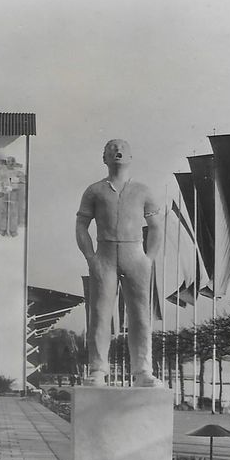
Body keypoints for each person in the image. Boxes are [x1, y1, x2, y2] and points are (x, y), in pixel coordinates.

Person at [76, 139, 163, 387]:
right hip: (104, 253)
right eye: (111, 149)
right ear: (103, 157)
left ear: (131, 157)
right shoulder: (94, 191)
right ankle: (98, 369)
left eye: (122, 148)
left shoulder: (142, 191)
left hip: (135, 253)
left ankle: (143, 370)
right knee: (101, 314)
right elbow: (81, 225)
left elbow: (156, 227)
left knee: (140, 315)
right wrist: (90, 256)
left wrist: (149, 258)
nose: (117, 151)